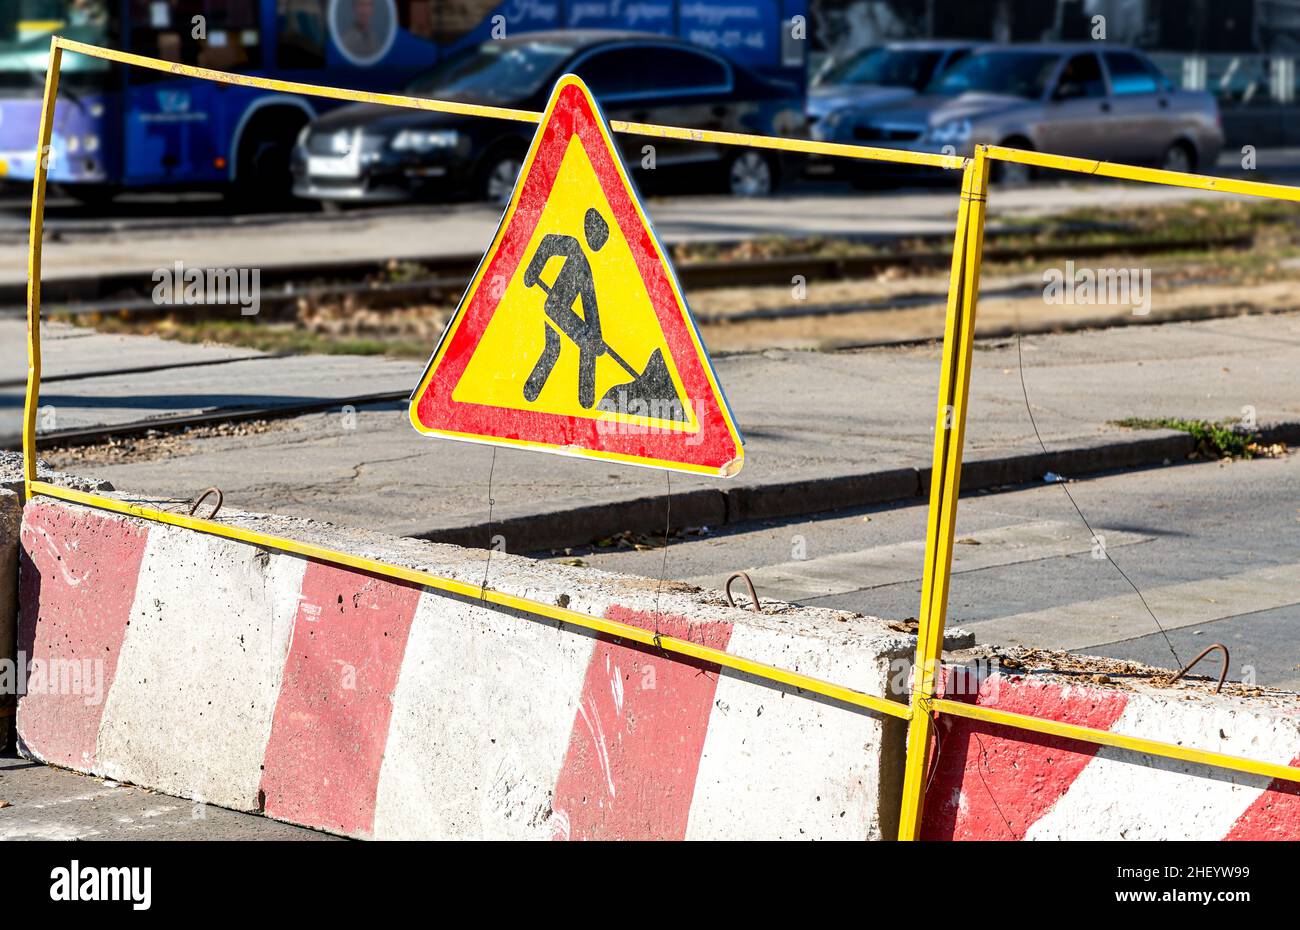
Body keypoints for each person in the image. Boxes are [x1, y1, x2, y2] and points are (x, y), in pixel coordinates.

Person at [522, 208, 610, 408]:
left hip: (559, 312)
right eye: (599, 238)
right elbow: (547, 244)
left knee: (557, 348)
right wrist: (532, 271)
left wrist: (596, 335)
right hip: (554, 307)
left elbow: (590, 305)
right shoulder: (574, 246)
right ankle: (535, 390)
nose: (599, 244)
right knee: (566, 344)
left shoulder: (587, 267)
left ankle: (585, 398)